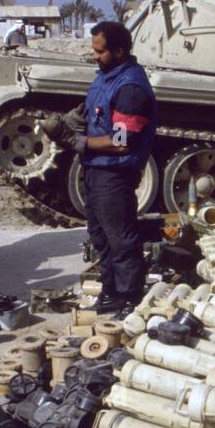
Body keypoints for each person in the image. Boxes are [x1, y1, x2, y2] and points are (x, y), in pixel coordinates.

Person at [41, 20, 157, 314]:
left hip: (114, 172)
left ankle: (129, 297)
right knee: (101, 237)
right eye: (94, 51)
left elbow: (121, 142)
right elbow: (94, 112)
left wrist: (76, 140)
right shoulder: (105, 76)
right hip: (95, 170)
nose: (95, 56)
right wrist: (73, 119)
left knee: (121, 238)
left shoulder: (131, 88)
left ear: (119, 51)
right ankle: (110, 293)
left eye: (100, 51)